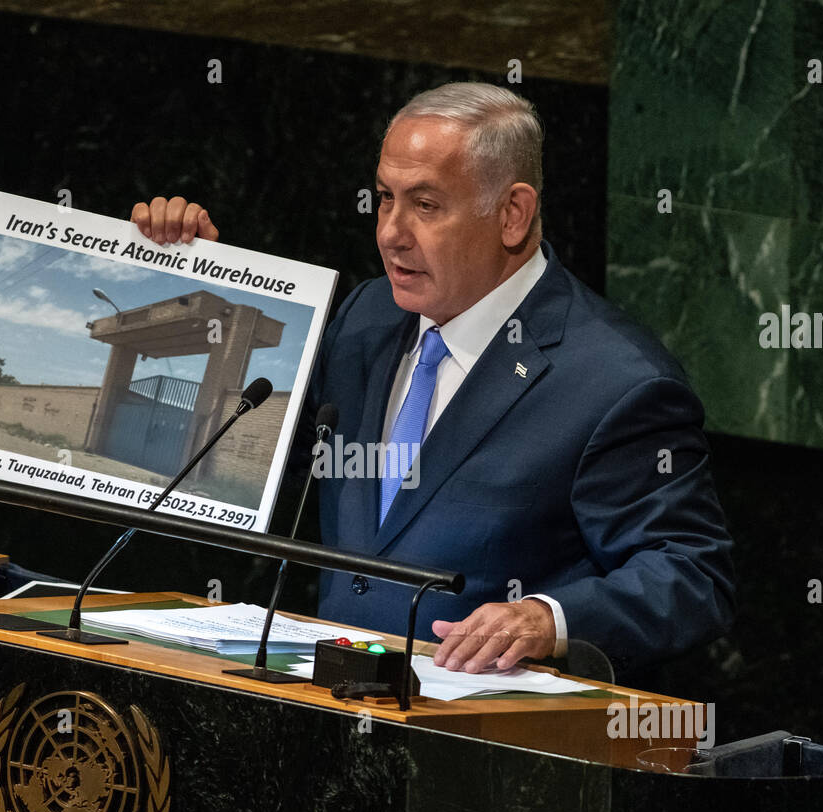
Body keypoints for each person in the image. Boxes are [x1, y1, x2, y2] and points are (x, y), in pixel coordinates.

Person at [131, 82, 734, 678]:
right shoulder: (366, 316)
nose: (391, 231)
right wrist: (210, 279)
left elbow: (689, 574)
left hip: (485, 748)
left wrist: (546, 620)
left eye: (425, 205)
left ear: (512, 215)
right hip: (327, 717)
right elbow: (250, 460)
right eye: (385, 198)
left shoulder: (615, 381)